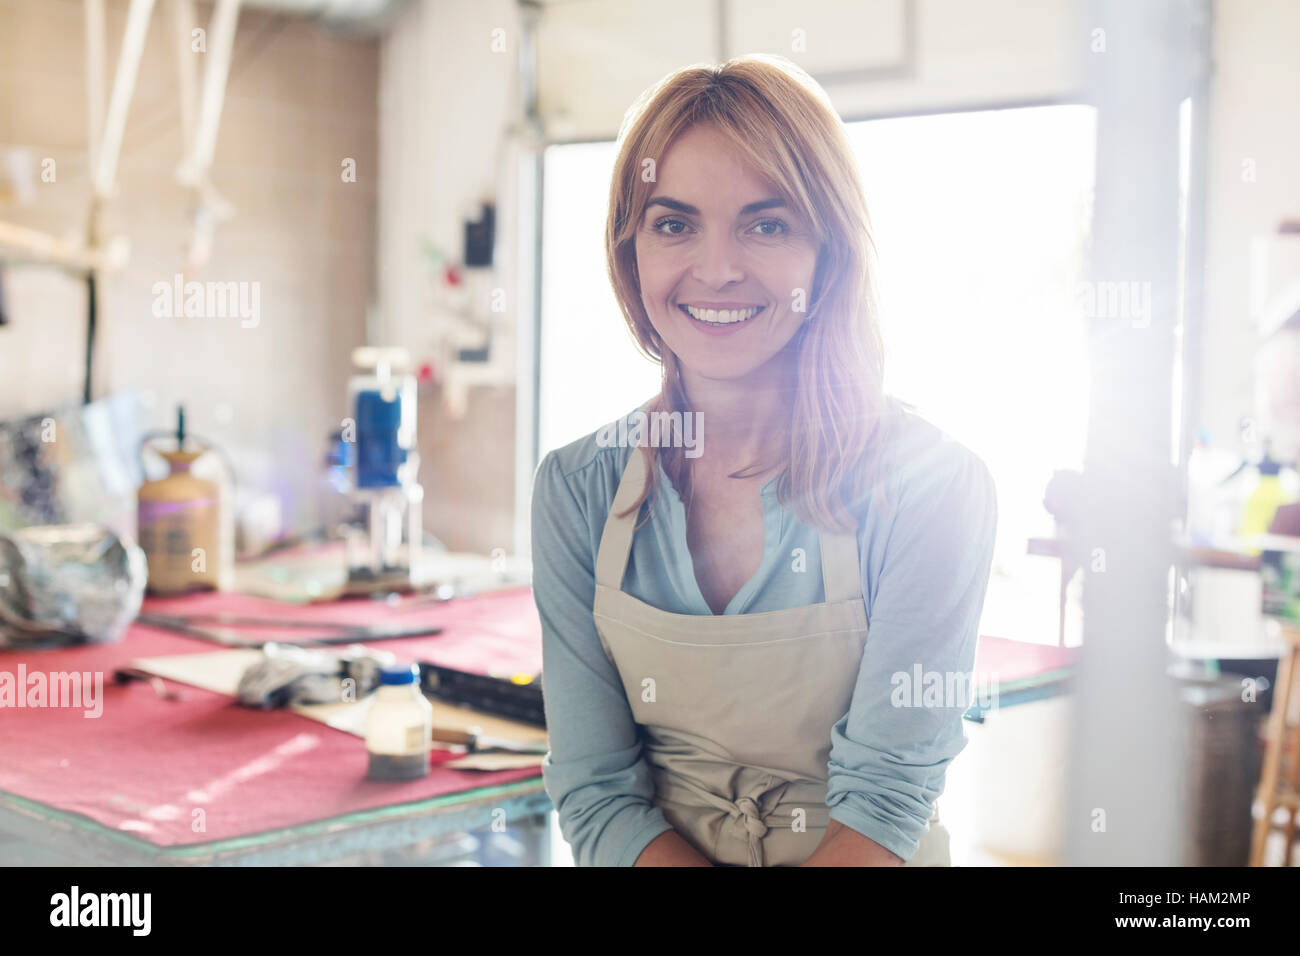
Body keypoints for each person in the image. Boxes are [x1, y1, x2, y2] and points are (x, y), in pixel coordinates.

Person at [531, 54, 998, 867]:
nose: (717, 269)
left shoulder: (931, 489)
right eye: (674, 223)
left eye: (767, 224)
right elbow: (597, 790)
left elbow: (886, 802)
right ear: (630, 250)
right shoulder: (576, 490)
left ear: (830, 252)